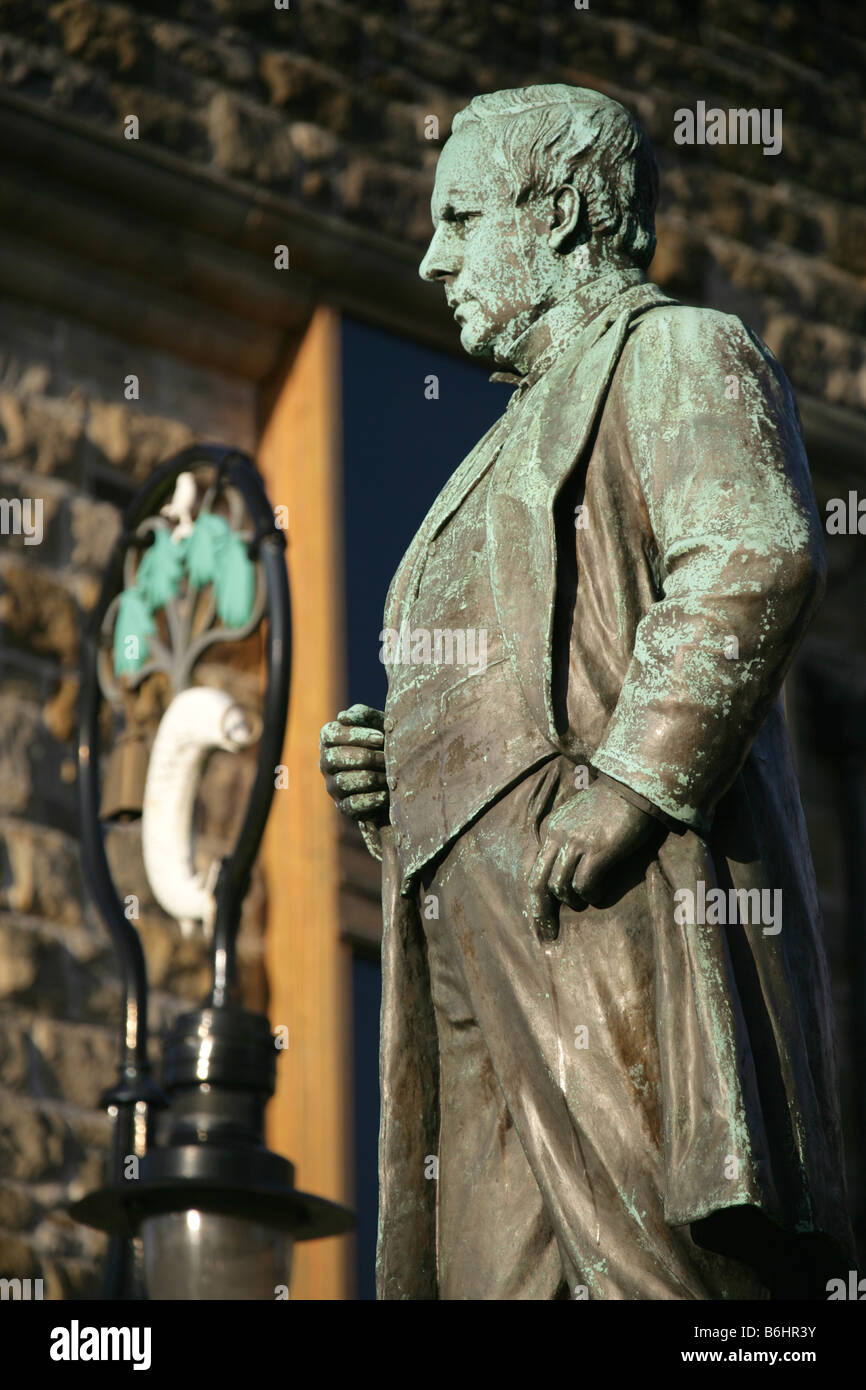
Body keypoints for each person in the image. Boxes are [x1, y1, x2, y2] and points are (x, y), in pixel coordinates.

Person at [319, 84, 854, 1300]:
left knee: (654, 1265)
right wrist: (399, 781)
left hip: (596, 883)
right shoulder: (489, 448)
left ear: (556, 212)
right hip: (463, 920)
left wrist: (630, 783)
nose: (431, 259)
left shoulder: (677, 352)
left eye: (459, 220)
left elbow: (752, 555)